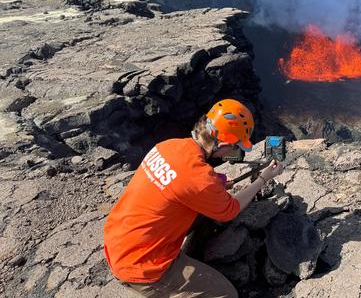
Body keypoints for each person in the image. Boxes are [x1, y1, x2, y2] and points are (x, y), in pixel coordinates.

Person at [103, 99, 285, 297]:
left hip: (118, 242)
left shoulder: (168, 146)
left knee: (203, 214)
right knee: (227, 294)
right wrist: (263, 179)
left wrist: (218, 181)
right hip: (143, 265)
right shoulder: (200, 179)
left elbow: (183, 180)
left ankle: (192, 255)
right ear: (223, 143)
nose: (233, 151)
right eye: (234, 146)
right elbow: (230, 209)